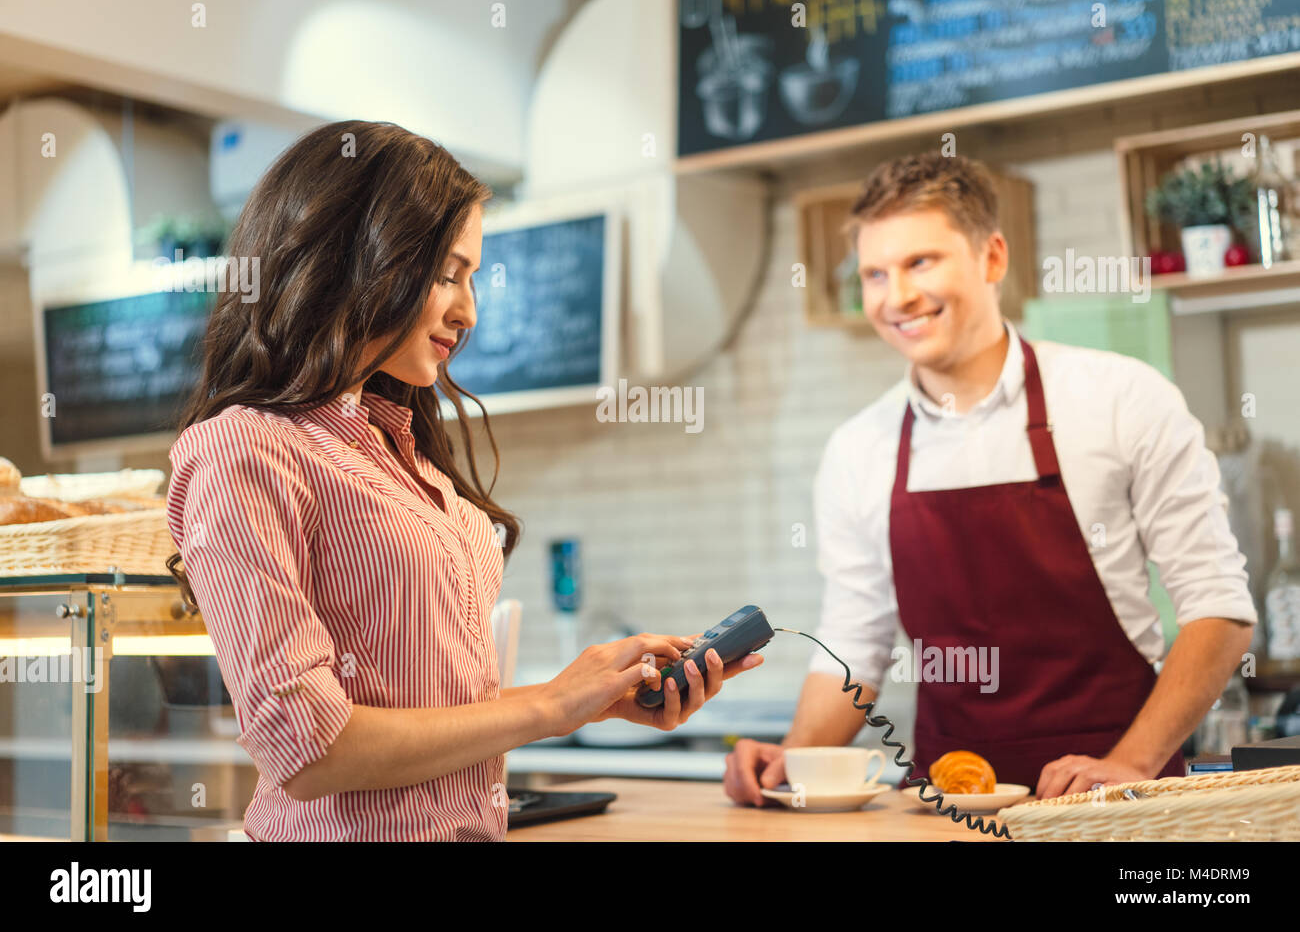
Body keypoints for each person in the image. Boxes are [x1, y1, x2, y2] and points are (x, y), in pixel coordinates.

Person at [166, 120, 762, 841]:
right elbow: (307, 744)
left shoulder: (401, 450)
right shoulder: (244, 450)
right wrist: (550, 706)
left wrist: (587, 699)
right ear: (355, 257)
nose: (468, 311)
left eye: (471, 277)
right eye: (447, 274)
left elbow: (423, 701)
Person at [724, 152, 1255, 804]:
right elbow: (855, 643)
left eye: (922, 262)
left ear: (992, 258)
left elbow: (1219, 606)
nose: (899, 296)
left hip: (1113, 808)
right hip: (947, 808)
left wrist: (1129, 764)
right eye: (875, 273)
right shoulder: (858, 448)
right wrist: (794, 759)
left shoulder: (1121, 397)